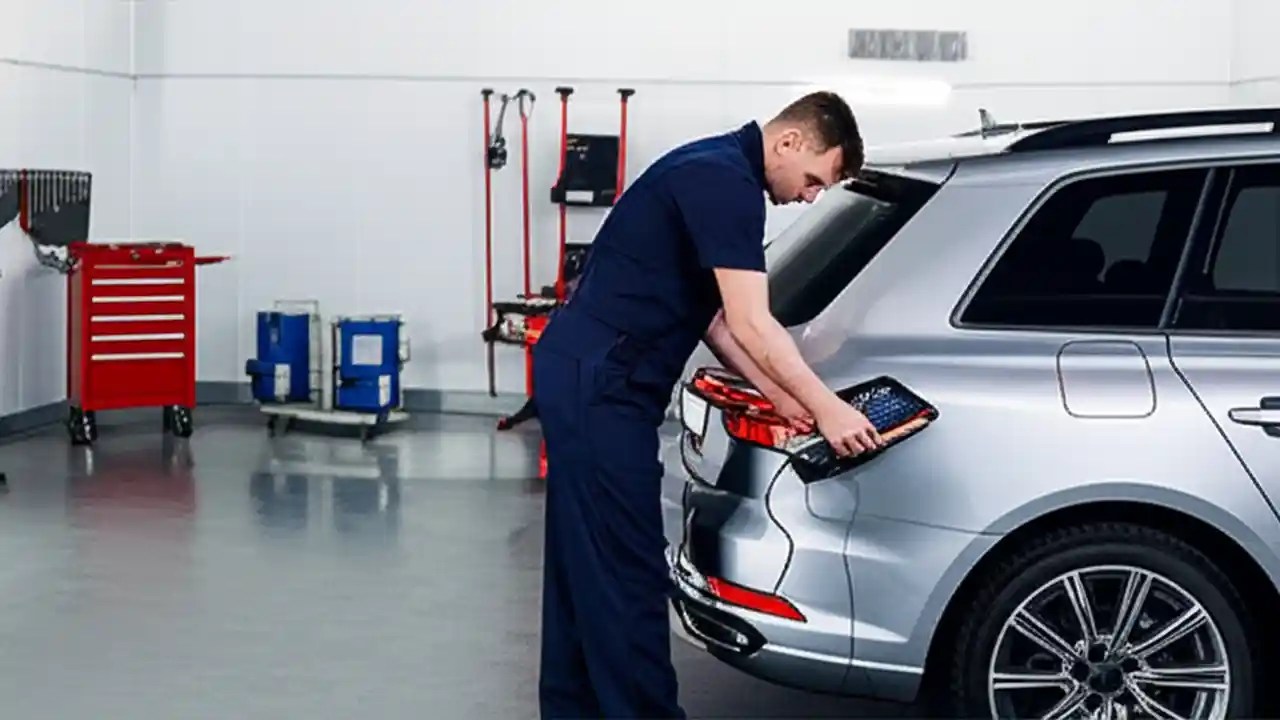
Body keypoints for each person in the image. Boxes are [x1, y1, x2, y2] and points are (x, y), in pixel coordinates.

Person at [531, 91, 883, 719]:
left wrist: (781, 395)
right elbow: (751, 322)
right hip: (603, 387)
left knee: (583, 564)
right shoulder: (724, 186)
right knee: (629, 573)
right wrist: (827, 407)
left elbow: (715, 323)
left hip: (588, 373)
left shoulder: (712, 167)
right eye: (813, 181)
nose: (809, 197)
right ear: (789, 142)